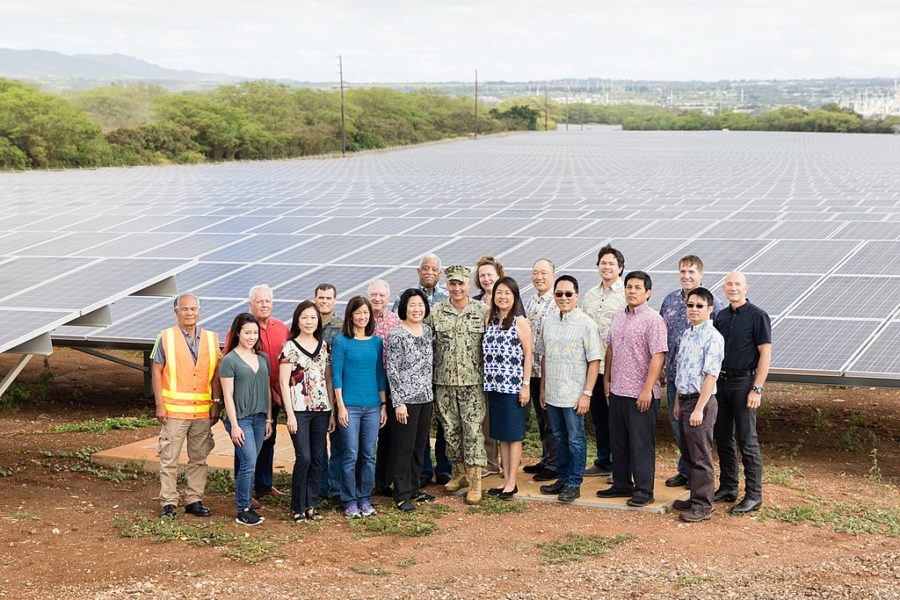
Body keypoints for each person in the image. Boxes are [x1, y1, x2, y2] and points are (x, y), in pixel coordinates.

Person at [598, 271, 668, 508]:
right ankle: (621, 484)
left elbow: (658, 356)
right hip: (618, 390)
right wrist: (607, 380)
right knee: (619, 441)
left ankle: (644, 489)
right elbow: (610, 349)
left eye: (638, 287)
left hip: (641, 394)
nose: (632, 291)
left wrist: (648, 389)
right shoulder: (618, 317)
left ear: (647, 293)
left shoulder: (653, 320)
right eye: (629, 286)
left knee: (641, 443)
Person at [152, 293, 221, 520]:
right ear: (176, 312)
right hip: (173, 412)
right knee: (169, 458)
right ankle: (169, 503)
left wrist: (216, 403)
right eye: (184, 309)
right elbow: (156, 370)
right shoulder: (165, 337)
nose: (189, 313)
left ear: (199, 311)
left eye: (193, 309)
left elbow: (215, 375)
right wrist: (159, 404)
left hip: (201, 411)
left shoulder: (211, 339)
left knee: (199, 458)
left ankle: (194, 500)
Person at [659, 256, 725, 489]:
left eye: (691, 271)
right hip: (676, 376)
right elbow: (661, 338)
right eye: (683, 271)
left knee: (697, 433)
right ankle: (686, 471)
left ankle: (698, 481)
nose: (686, 275)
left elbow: (717, 344)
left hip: (700, 382)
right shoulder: (669, 301)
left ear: (701, 274)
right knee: (679, 427)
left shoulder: (713, 303)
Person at [426, 265, 490, 505]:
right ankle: (459, 473)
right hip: (443, 382)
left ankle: (475, 482)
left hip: (472, 383)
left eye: (461, 283)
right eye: (452, 283)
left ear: (468, 285)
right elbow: (426, 343)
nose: (456, 288)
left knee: (472, 431)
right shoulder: (436, 311)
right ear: (447, 284)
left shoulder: (482, 311)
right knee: (450, 431)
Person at [390, 253, 452, 487]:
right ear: (418, 271)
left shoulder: (447, 298)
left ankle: (444, 469)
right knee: (415, 435)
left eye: (434, 269)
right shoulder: (404, 297)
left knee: (443, 424)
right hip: (410, 382)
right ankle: (421, 474)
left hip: (437, 373)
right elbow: (397, 347)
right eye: (425, 268)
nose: (429, 272)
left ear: (439, 272)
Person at [539, 275, 602, 503]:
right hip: (553, 393)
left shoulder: (586, 323)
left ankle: (574, 483)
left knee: (576, 439)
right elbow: (544, 356)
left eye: (568, 294)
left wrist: (587, 393)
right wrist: (543, 388)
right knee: (559, 437)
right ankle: (563, 478)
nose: (563, 298)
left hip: (574, 395)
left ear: (577, 296)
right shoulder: (549, 322)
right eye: (559, 294)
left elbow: (594, 360)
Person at [713, 272, 772, 515]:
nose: (733, 288)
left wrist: (757, 388)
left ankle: (753, 495)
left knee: (747, 440)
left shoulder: (758, 316)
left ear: (746, 288)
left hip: (745, 383)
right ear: (724, 288)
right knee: (723, 437)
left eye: (737, 284)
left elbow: (765, 354)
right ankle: (728, 486)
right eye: (729, 284)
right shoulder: (721, 317)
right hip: (721, 383)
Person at [227, 285, 289, 509]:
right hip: (247, 396)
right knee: (244, 444)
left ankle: (264, 484)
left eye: (268, 301)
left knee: (267, 440)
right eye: (260, 301)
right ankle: (245, 489)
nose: (265, 305)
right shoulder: (243, 328)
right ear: (250, 304)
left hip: (273, 394)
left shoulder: (282, 328)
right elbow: (229, 363)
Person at [670, 287, 724, 523]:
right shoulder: (687, 334)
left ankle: (703, 506)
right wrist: (676, 401)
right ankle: (694, 497)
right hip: (684, 400)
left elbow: (710, 375)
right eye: (690, 305)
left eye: (699, 306)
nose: (693, 309)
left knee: (701, 456)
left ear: (710, 309)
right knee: (689, 453)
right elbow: (681, 371)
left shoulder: (713, 337)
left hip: (700, 402)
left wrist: (699, 408)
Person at [331, 296, 387, 519]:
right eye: (358, 313)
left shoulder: (376, 342)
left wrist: (383, 405)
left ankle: (365, 498)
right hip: (350, 408)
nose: (363, 317)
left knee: (368, 455)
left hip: (372, 406)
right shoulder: (341, 341)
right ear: (350, 315)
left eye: (366, 313)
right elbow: (336, 376)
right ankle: (349, 500)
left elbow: (379, 375)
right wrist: (341, 407)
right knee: (350, 455)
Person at [280, 300, 336, 522]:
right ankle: (297, 506)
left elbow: (328, 379)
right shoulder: (289, 348)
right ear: (297, 320)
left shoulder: (324, 347)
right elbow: (284, 382)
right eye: (304, 317)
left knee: (318, 458)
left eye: (313, 318)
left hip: (322, 410)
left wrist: (331, 410)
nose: (309, 321)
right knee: (303, 457)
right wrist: (290, 414)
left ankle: (311, 504)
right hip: (300, 411)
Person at [483, 277, 534, 499]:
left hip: (513, 389)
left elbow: (529, 354)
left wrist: (525, 385)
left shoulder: (520, 322)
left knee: (514, 436)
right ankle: (505, 480)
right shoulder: (490, 320)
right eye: (499, 292)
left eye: (507, 293)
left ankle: (512, 482)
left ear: (514, 297)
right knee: (501, 436)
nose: (502, 297)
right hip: (494, 387)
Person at [220, 312, 273, 526]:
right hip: (240, 419)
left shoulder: (262, 358)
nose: (251, 336)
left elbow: (267, 390)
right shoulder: (230, 360)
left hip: (260, 418)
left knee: (250, 462)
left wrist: (269, 419)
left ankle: (247, 505)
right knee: (249, 462)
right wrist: (234, 425)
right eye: (247, 332)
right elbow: (227, 395)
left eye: (254, 332)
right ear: (237, 333)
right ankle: (243, 509)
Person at [385, 288, 436, 512]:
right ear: (404, 308)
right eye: (412, 305)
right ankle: (401, 493)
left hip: (426, 398)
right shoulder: (397, 334)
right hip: (406, 401)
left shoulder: (427, 331)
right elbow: (392, 370)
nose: (417, 309)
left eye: (420, 305)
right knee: (403, 447)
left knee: (419, 446)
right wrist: (398, 402)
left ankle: (414, 488)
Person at [580, 245, 627, 478]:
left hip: (616, 366)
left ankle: (619, 464)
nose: (606, 267)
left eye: (611, 263)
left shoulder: (625, 295)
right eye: (603, 263)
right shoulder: (589, 295)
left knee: (616, 418)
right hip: (592, 365)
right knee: (598, 416)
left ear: (620, 267)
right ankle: (603, 460)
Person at [523, 258, 560, 482]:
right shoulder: (530, 302)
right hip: (533, 371)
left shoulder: (557, 302)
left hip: (551, 371)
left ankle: (555, 464)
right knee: (541, 418)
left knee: (552, 419)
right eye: (536, 272)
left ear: (553, 275)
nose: (539, 277)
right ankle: (546, 458)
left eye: (544, 273)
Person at [472, 255, 505, 477]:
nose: (486, 279)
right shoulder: (474, 301)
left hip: (504, 368)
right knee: (486, 418)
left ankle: (509, 463)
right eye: (482, 275)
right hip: (481, 369)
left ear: (499, 276)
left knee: (506, 415)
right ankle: (490, 461)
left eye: (489, 275)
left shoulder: (508, 298)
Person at [369, 279, 401, 497]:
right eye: (374, 295)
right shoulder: (359, 318)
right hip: (365, 384)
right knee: (367, 435)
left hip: (389, 385)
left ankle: (383, 481)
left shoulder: (396, 321)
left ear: (388, 299)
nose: (377, 299)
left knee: (388, 434)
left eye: (381, 295)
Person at [313, 283, 344, 501]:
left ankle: (336, 488)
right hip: (312, 391)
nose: (324, 301)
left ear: (335, 301)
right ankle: (320, 487)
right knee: (317, 444)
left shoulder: (342, 327)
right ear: (315, 299)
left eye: (328, 298)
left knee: (338, 442)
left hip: (335, 389)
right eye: (321, 297)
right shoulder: (307, 322)